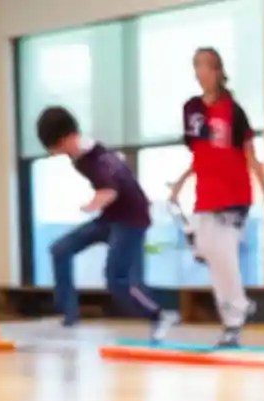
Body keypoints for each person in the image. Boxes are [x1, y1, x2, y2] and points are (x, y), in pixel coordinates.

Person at [169, 47, 264, 348]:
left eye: (205, 66)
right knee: (208, 250)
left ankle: (233, 322)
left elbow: (251, 157)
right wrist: (180, 183)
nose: (200, 72)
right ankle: (241, 304)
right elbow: (202, 156)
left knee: (224, 255)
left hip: (234, 194)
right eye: (196, 66)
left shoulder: (234, 111)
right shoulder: (191, 109)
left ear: (217, 71)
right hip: (205, 194)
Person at [37, 106, 178, 341]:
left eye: (55, 148)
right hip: (111, 217)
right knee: (60, 249)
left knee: (116, 280)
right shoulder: (80, 153)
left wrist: (94, 203)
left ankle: (160, 314)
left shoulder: (97, 158)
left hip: (131, 219)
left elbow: (111, 189)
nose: (55, 154)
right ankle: (69, 316)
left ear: (64, 139)